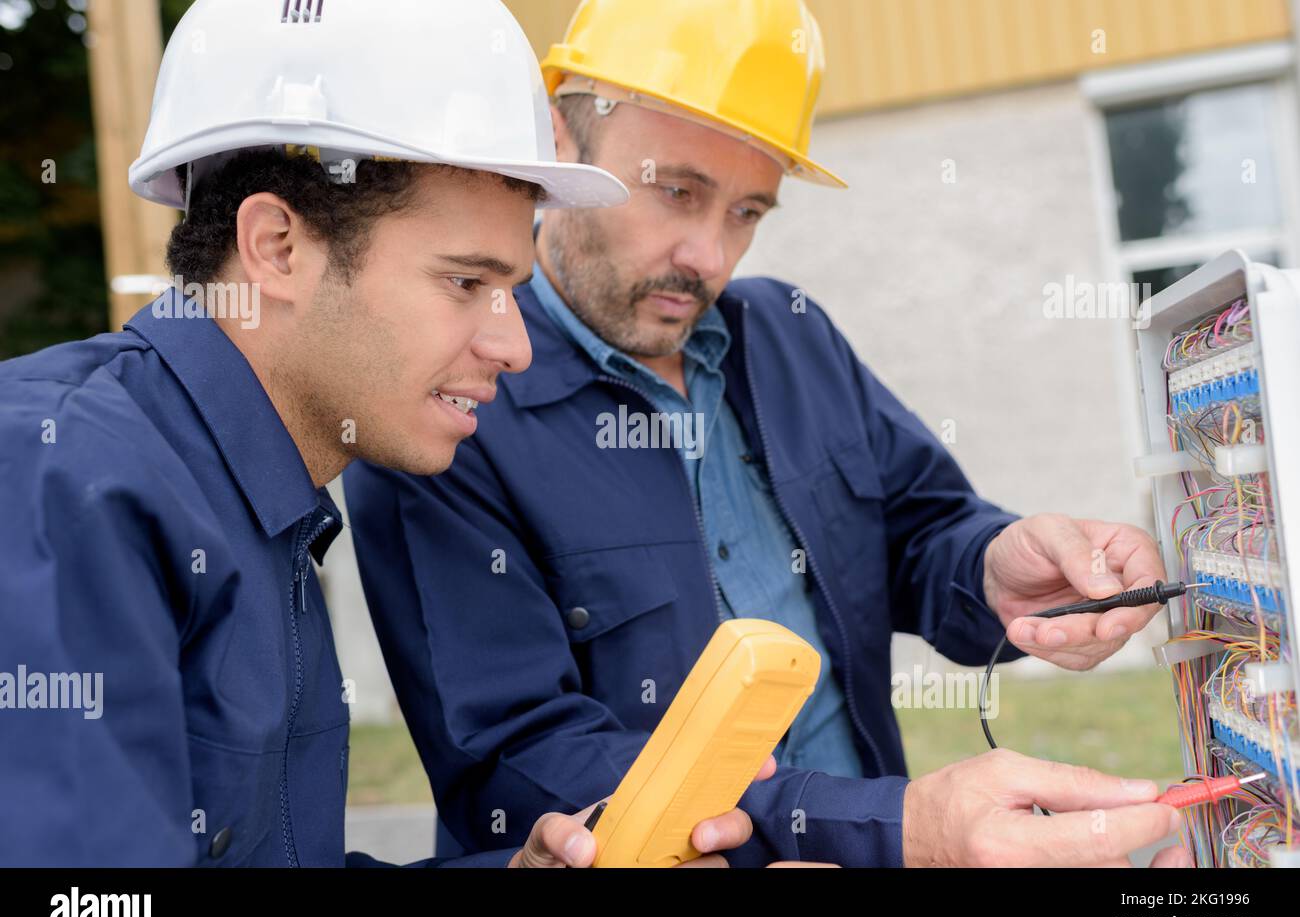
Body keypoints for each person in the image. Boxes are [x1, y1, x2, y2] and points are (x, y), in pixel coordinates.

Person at [345, 0, 1189, 867]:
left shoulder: (790, 334)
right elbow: (523, 765)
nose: (709, 256)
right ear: (563, 138)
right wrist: (884, 828)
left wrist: (992, 566)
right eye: (677, 190)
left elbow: (920, 532)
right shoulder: (449, 402)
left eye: (748, 211)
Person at [0, 0, 764, 868]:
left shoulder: (255, 502)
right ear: (277, 247)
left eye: (510, 286)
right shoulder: (57, 483)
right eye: (467, 281)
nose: (514, 347)